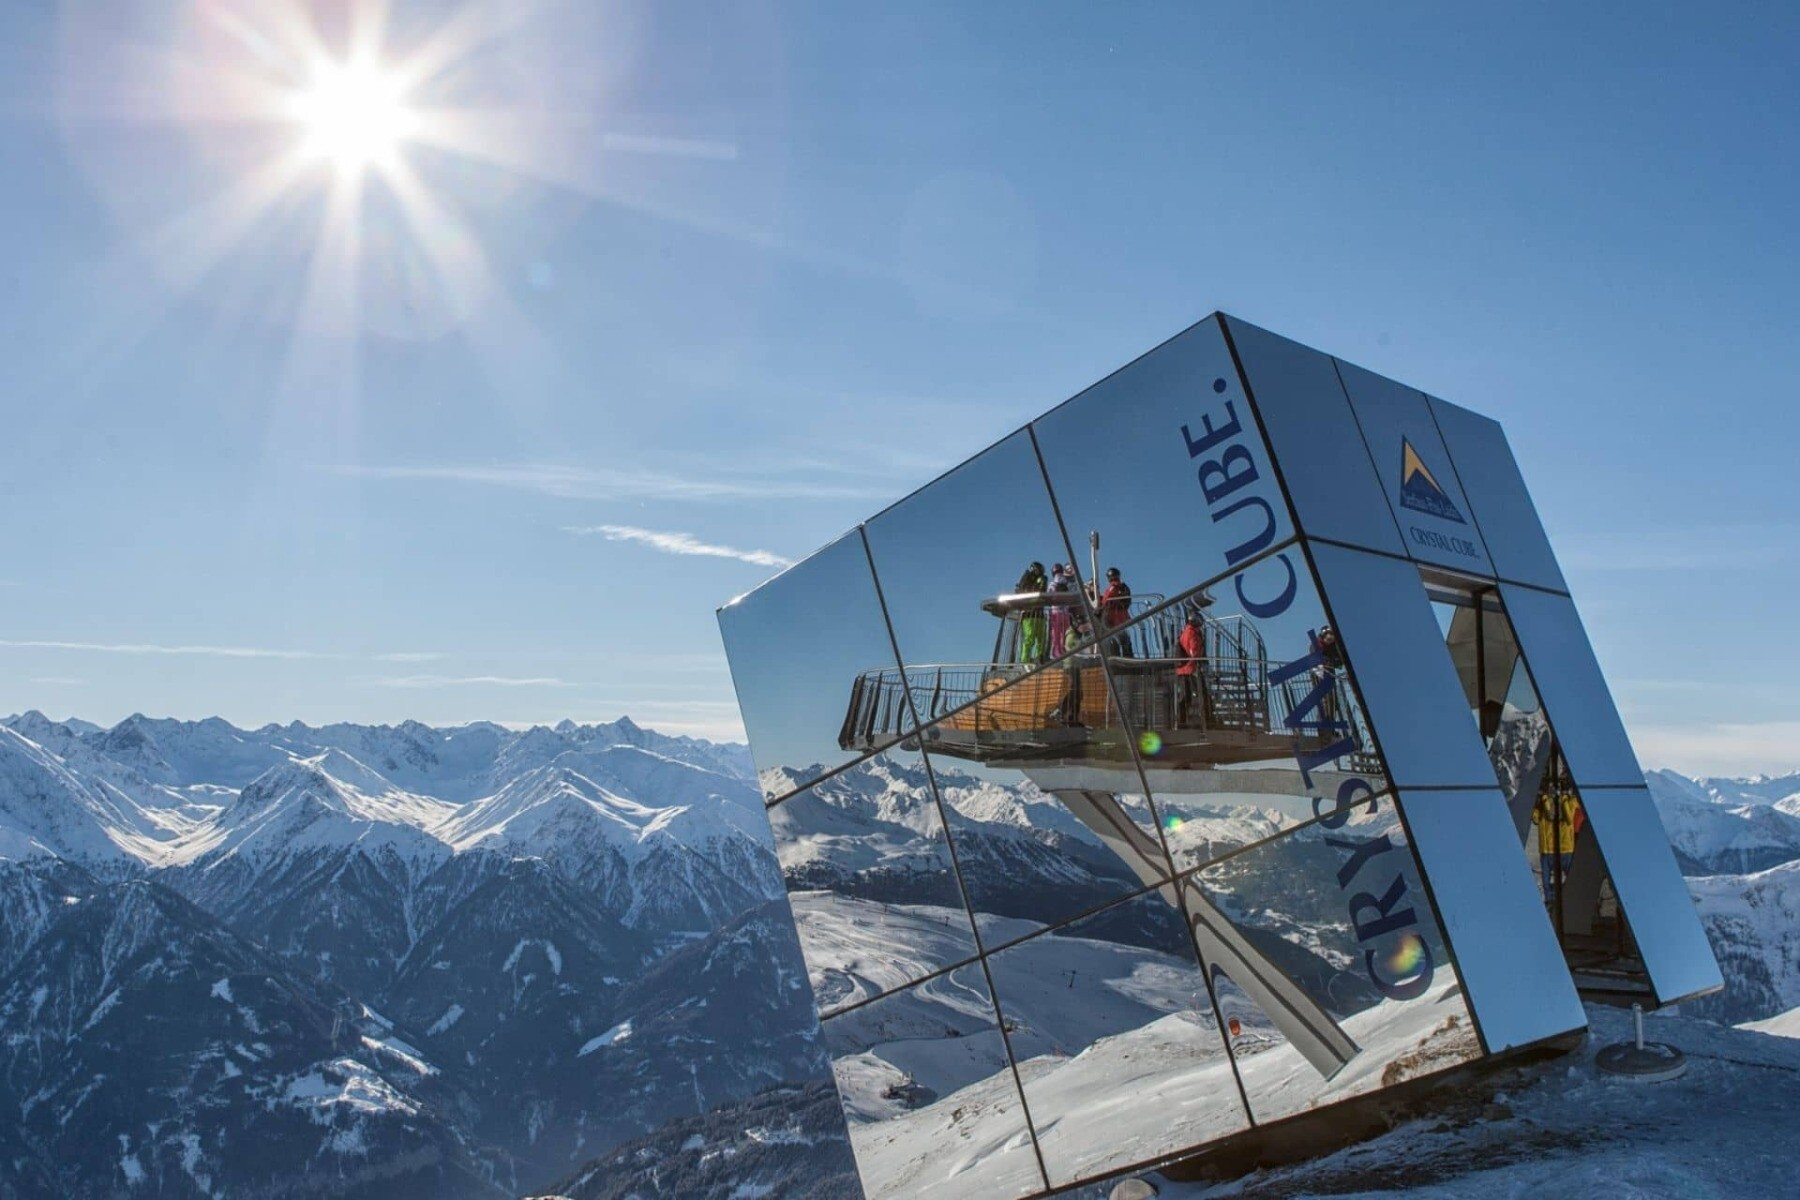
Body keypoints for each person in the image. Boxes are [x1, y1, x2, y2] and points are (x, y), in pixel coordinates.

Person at [1532, 783, 1585, 905]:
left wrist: (1563, 798)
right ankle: (1551, 902)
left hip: (1564, 847)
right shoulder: (1545, 803)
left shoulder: (1570, 801)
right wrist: (1539, 804)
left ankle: (1572, 899)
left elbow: (1567, 817)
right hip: (1547, 849)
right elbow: (1536, 818)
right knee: (1546, 882)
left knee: (1571, 877)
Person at [1176, 607, 1206, 727]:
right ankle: (1182, 720)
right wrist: (1198, 660)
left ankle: (1185, 718)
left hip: (1187, 669)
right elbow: (1194, 650)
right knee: (1191, 695)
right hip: (1189, 669)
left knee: (1190, 695)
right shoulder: (1191, 633)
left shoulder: (1188, 631)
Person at [1015, 561, 1048, 664]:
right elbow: (1025, 591)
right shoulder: (1027, 579)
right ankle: (1025, 661)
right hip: (1029, 614)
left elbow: (1041, 590)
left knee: (1040, 638)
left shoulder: (1041, 579)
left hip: (1039, 614)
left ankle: (1039, 658)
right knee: (1029, 638)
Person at [1099, 566, 1133, 657]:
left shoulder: (1114, 587)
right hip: (1122, 616)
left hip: (1114, 617)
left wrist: (1101, 606)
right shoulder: (1124, 587)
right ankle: (1128, 656)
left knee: (1115, 639)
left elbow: (1106, 600)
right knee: (1123, 638)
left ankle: (1118, 657)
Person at [1047, 564, 1075, 658]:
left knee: (1055, 634)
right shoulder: (1067, 582)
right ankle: (1065, 651)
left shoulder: (1052, 584)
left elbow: (1048, 596)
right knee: (1065, 633)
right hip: (1065, 613)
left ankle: (1055, 653)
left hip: (1055, 612)